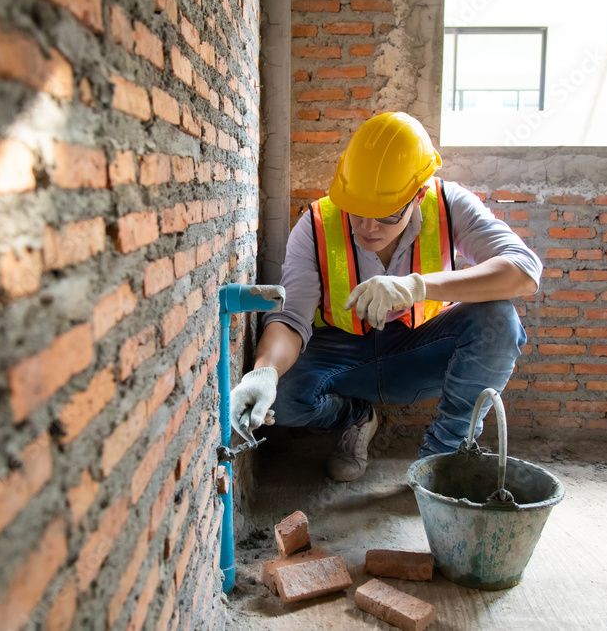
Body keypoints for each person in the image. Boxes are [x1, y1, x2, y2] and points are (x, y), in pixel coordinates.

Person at [230, 112, 542, 482]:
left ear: (419, 195)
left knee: (498, 319)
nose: (369, 226)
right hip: (342, 358)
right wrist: (265, 371)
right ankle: (356, 418)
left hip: (418, 350)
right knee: (282, 400)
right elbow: (291, 319)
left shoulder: (448, 204)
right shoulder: (315, 226)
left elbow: (523, 271)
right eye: (358, 211)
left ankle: (442, 461)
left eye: (386, 215)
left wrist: (419, 287)